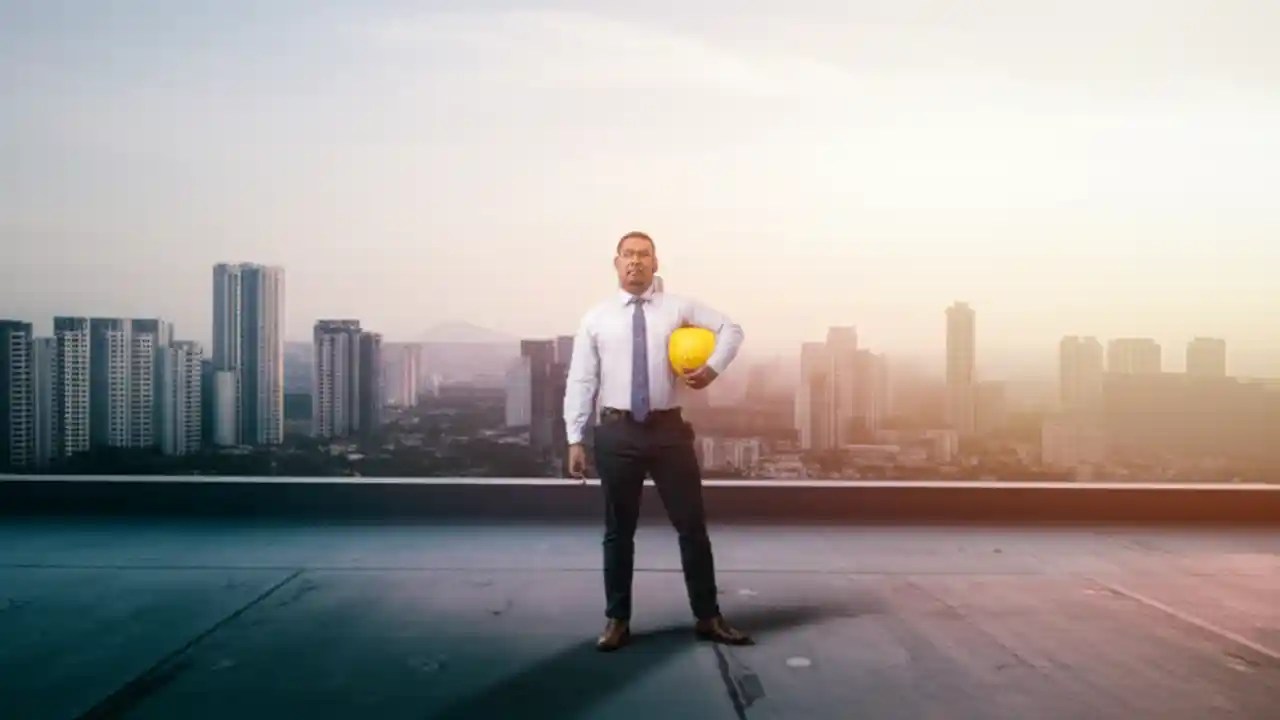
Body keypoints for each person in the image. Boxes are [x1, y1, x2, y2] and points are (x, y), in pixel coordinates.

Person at [563, 230, 753, 652]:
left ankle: (708, 617)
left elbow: (731, 329)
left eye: (643, 255)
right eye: (628, 254)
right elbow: (581, 379)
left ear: (655, 263)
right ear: (616, 263)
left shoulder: (678, 307)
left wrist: (712, 369)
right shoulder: (596, 318)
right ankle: (617, 620)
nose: (635, 261)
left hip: (669, 432)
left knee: (692, 527)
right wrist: (574, 437)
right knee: (618, 533)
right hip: (616, 432)